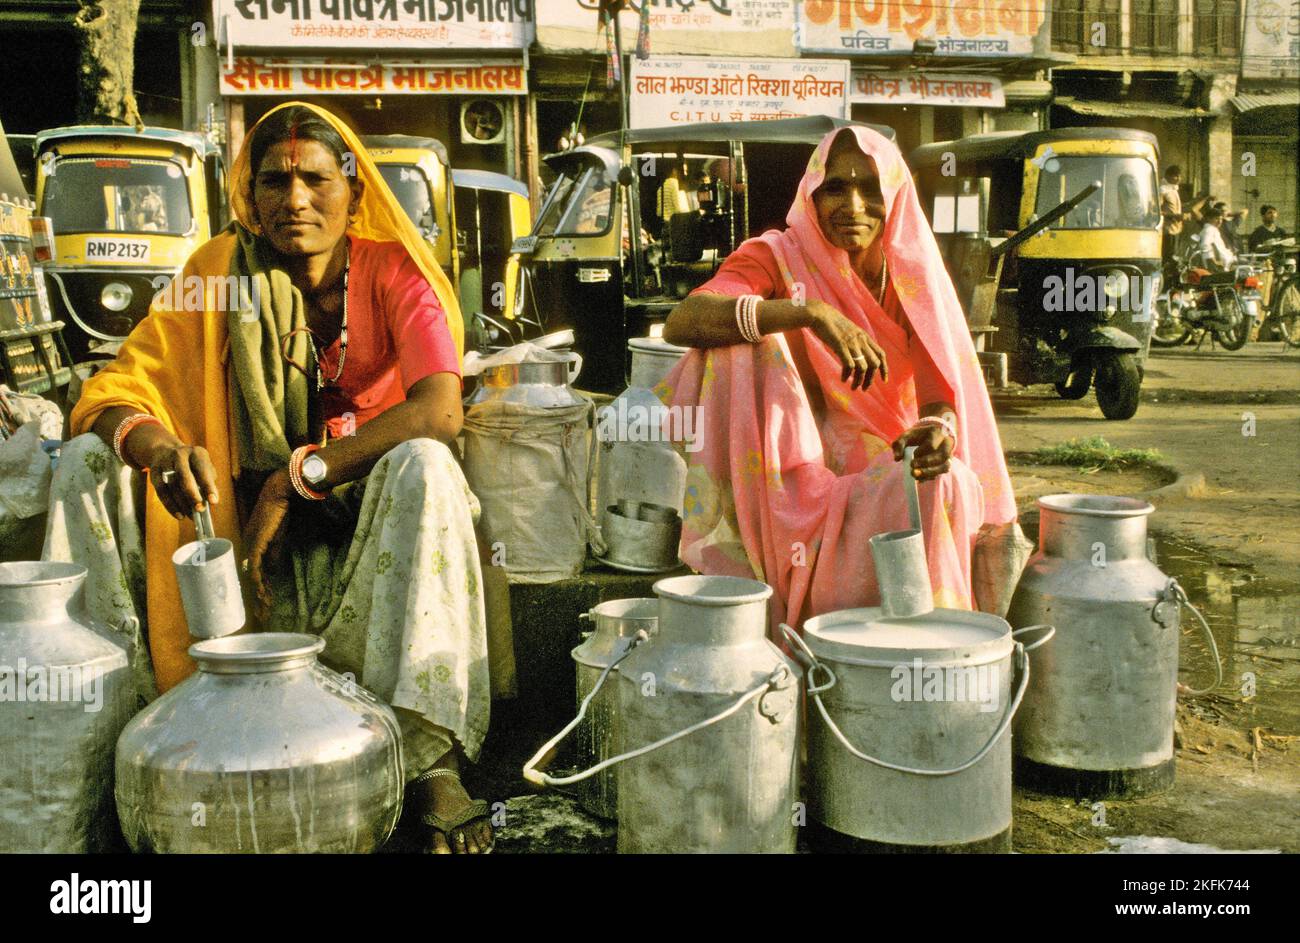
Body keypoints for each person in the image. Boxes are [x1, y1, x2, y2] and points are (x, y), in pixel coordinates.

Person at [44, 103, 495, 854]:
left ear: (352, 191)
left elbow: (440, 410)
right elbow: (118, 389)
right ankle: (100, 730)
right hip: (237, 531)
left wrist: (301, 476)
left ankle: (430, 761)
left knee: (427, 464)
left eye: (316, 179)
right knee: (91, 460)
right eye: (275, 182)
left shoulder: (393, 272)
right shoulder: (217, 275)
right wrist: (157, 450)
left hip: (364, 528)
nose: (296, 201)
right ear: (248, 197)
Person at [660, 127, 1019, 632]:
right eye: (836, 188)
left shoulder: (910, 275)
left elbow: (941, 400)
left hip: (885, 457)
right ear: (811, 194)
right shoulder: (777, 255)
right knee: (740, 339)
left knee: (949, 481)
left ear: (894, 194)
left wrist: (940, 431)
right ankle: (816, 631)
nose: (853, 205)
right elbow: (684, 321)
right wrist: (809, 312)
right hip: (783, 473)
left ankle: (931, 650)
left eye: (870, 188)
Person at [1190, 204, 1236, 272]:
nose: (1220, 221)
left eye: (1221, 219)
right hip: (1220, 267)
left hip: (1227, 263)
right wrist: (1214, 262)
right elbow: (1205, 245)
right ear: (1208, 218)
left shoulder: (1213, 229)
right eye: (1217, 218)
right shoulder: (1209, 229)